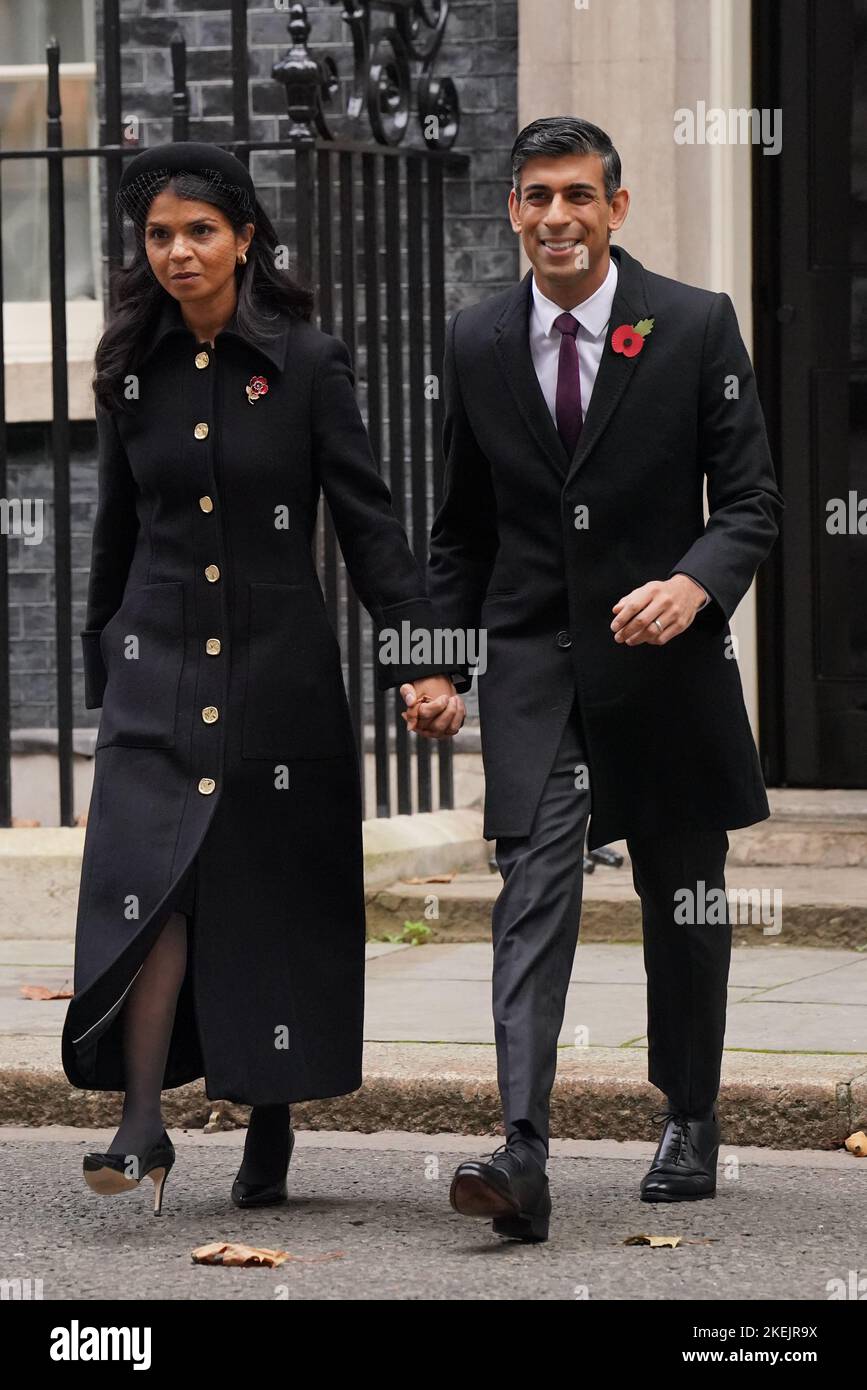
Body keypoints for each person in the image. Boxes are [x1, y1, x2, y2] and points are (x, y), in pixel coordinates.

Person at [63, 141, 464, 1215]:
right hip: (156, 666)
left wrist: (421, 662)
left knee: (264, 895)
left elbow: (372, 525)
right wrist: (106, 666)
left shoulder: (306, 360)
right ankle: (142, 1122)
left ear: (244, 237)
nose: (180, 250)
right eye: (160, 235)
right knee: (155, 889)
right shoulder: (130, 366)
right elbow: (114, 530)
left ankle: (270, 1126)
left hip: (276, 672)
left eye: (201, 230)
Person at [424, 116, 784, 1242]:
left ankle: (689, 1111)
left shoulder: (692, 326)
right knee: (532, 889)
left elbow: (755, 504)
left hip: (663, 668)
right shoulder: (476, 340)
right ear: (516, 213)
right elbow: (459, 534)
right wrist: (436, 663)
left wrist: (694, 584)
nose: (557, 218)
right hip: (536, 664)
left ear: (616, 209)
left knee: (685, 902)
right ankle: (521, 1150)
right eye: (536, 198)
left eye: (579, 197)